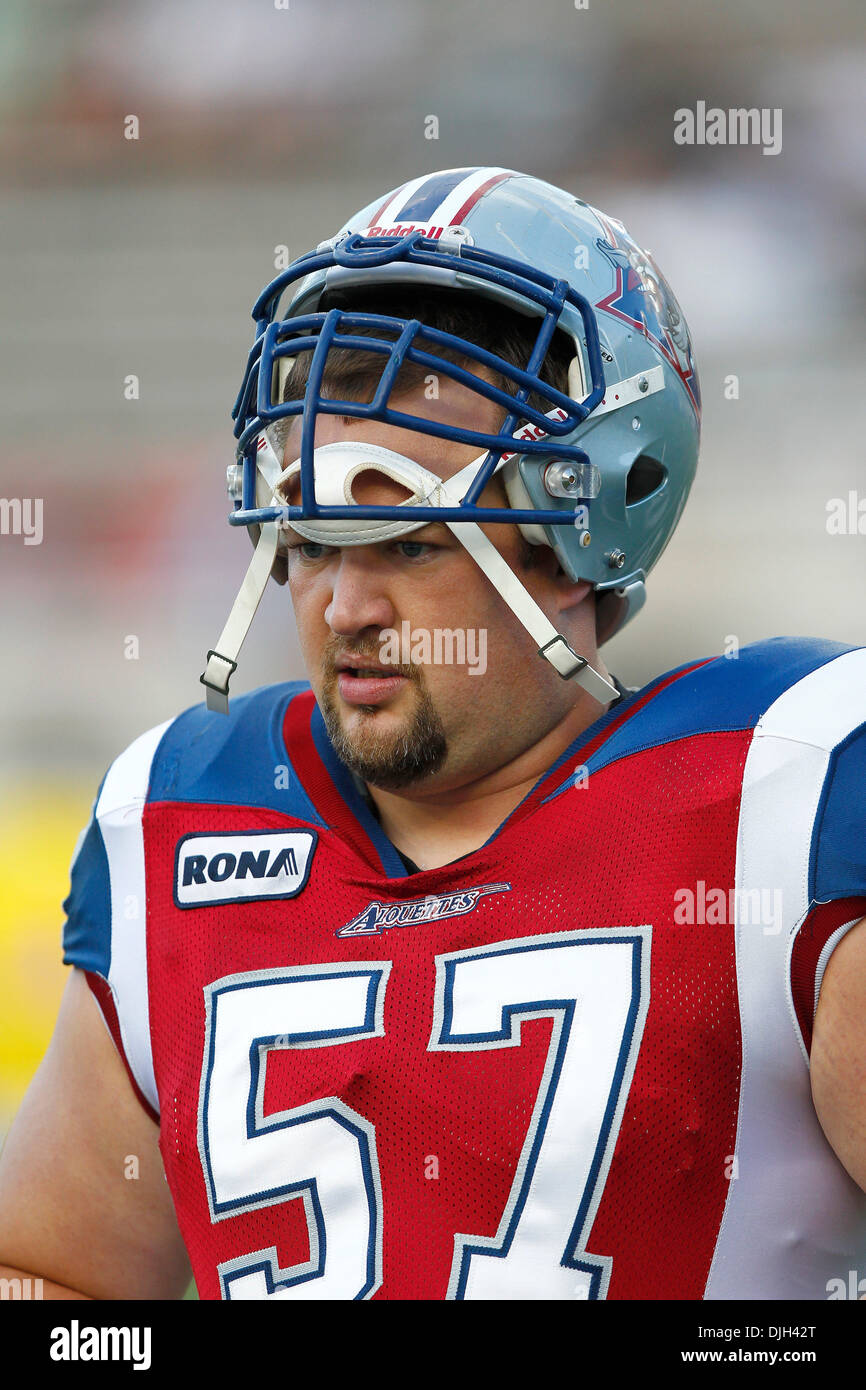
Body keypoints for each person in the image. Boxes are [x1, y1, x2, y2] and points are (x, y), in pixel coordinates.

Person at [1, 167, 864, 1301]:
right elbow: (56, 1278)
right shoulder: (179, 818)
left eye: (407, 542)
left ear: (582, 528)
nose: (343, 608)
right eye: (308, 540)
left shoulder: (782, 793)